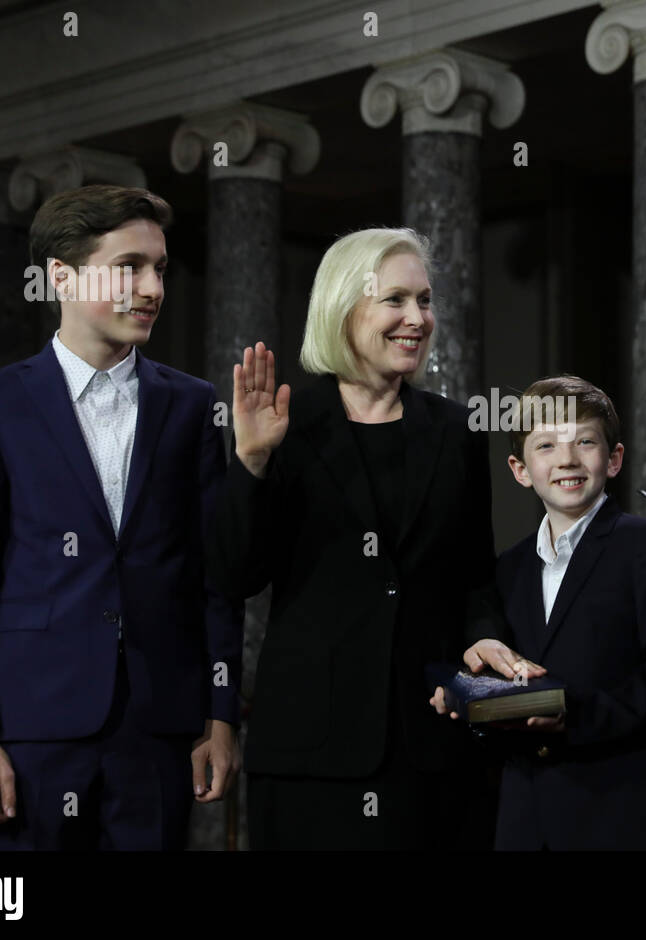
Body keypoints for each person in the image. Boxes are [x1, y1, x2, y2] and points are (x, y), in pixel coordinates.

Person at [0, 184, 242, 850]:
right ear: (61, 276)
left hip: (161, 729)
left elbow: (212, 579)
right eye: (129, 266)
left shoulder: (193, 406)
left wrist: (220, 717)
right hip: (32, 732)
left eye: (160, 268)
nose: (152, 287)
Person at [211, 227, 527, 849]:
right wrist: (249, 462)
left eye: (426, 301)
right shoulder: (284, 423)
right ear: (344, 309)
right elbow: (234, 574)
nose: (417, 318)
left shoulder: (457, 430)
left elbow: (473, 576)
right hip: (311, 753)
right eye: (396, 300)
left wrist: (486, 634)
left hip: (432, 748)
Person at [436, 375, 646, 849]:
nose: (567, 460)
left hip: (622, 808)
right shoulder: (509, 568)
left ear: (614, 458)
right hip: (526, 814)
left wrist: (575, 716)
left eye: (584, 441)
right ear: (519, 469)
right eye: (546, 446)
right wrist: (467, 701)